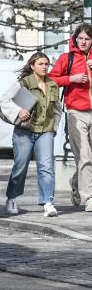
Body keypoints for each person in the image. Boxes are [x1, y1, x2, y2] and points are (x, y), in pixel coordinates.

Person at [0, 52, 62, 217]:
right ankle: (12, 198)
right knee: (20, 166)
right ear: (33, 65)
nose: (44, 67)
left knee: (47, 167)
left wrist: (54, 127)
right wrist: (18, 111)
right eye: (41, 64)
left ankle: (48, 202)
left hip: (45, 131)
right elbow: (5, 100)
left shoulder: (53, 85)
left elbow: (57, 109)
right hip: (24, 131)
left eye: (46, 64)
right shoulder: (24, 83)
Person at [53, 24, 92, 209]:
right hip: (76, 112)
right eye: (81, 38)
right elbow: (51, 79)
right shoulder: (66, 58)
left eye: (87, 39)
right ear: (76, 39)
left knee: (88, 158)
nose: (83, 42)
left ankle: (77, 184)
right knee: (84, 156)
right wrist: (71, 79)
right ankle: (88, 197)